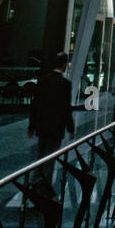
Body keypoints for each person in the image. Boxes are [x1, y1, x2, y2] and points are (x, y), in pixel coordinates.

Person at [28, 51, 74, 183]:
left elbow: (35, 104)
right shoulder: (65, 84)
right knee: (51, 156)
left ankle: (36, 178)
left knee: (41, 153)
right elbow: (66, 108)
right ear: (64, 65)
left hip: (42, 125)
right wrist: (70, 128)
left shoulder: (43, 80)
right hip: (56, 127)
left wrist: (31, 126)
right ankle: (44, 182)